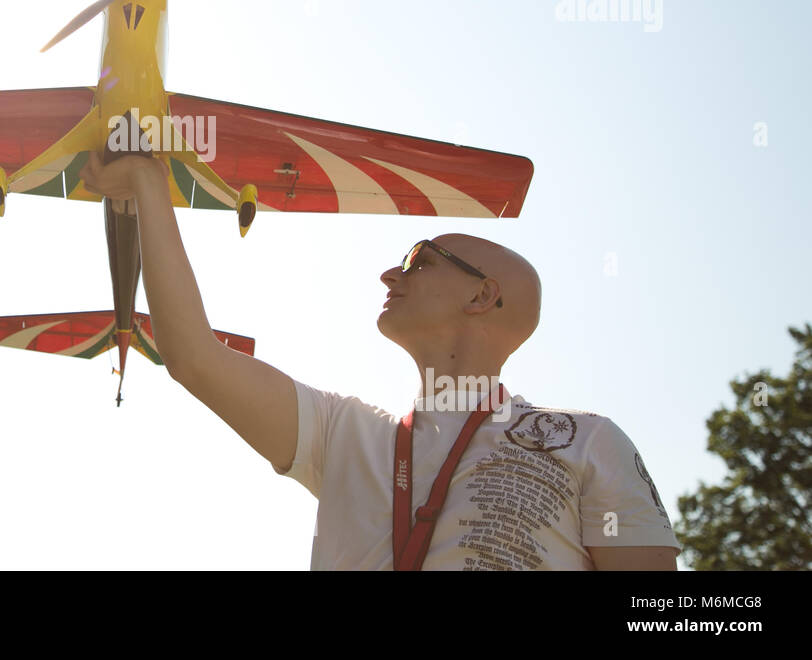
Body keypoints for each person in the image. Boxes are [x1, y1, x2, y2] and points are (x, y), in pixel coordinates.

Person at [79, 150, 682, 570]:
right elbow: (193, 358)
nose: (390, 272)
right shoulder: (344, 433)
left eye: (421, 258)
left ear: (482, 296)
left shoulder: (587, 441)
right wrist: (147, 185)